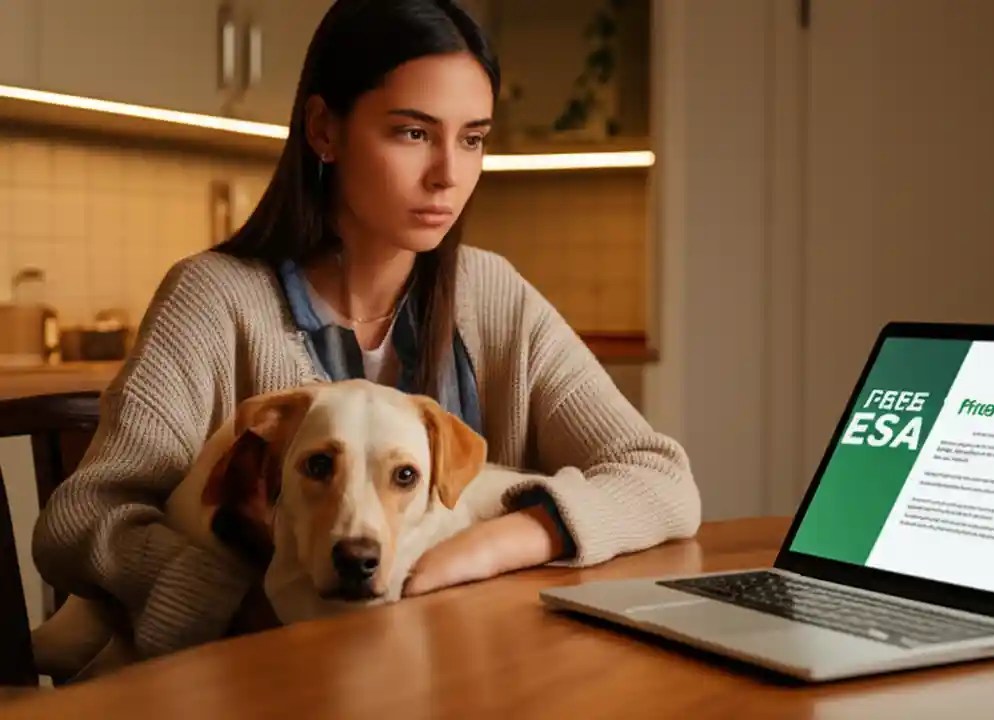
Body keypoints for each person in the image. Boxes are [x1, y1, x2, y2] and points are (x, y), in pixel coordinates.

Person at [32, 0, 700, 663]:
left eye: (472, 139)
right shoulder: (215, 299)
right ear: (324, 129)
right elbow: (81, 519)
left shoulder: (492, 295)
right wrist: (241, 604)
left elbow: (661, 479)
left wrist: (489, 546)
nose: (448, 174)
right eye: (413, 133)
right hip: (255, 681)